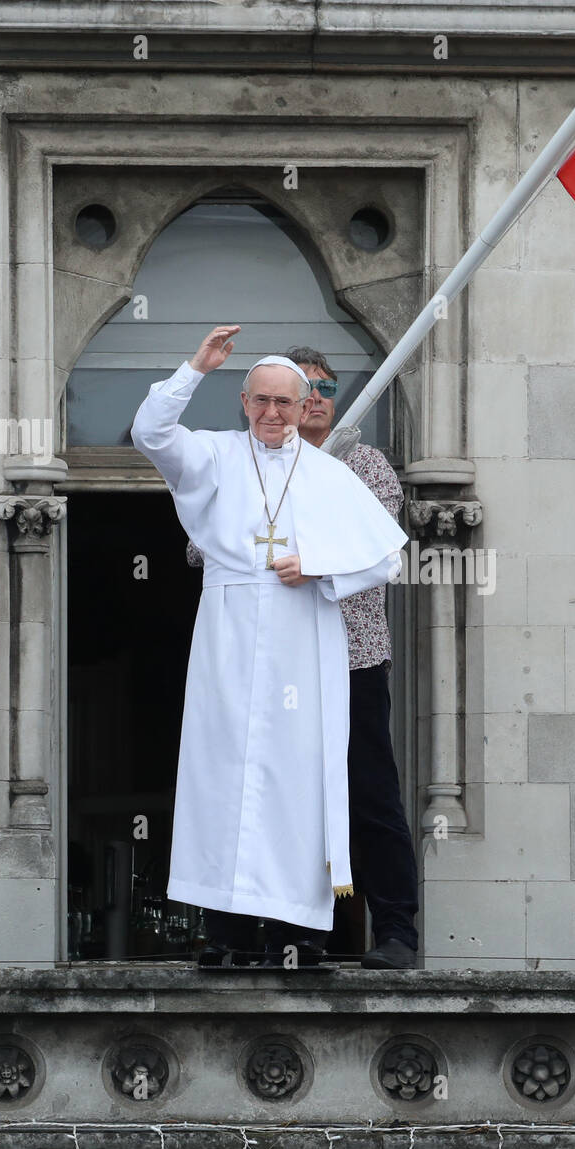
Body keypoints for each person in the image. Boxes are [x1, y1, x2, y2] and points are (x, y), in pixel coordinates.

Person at [130, 326, 407, 968]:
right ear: (245, 403)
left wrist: (318, 566)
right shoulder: (215, 454)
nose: (274, 414)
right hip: (226, 629)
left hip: (302, 633)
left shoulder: (329, 472)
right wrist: (195, 366)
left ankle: (297, 934)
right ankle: (225, 932)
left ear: (304, 402)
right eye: (262, 401)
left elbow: (385, 556)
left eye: (287, 401)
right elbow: (150, 433)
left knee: (295, 779)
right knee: (221, 771)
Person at [289, 346, 419, 971]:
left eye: (326, 385)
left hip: (354, 658)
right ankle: (298, 931)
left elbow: (375, 548)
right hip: (283, 663)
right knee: (289, 797)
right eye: (302, 386)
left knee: (371, 794)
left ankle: (394, 930)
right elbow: (206, 554)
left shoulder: (364, 464)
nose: (316, 395)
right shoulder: (255, 467)